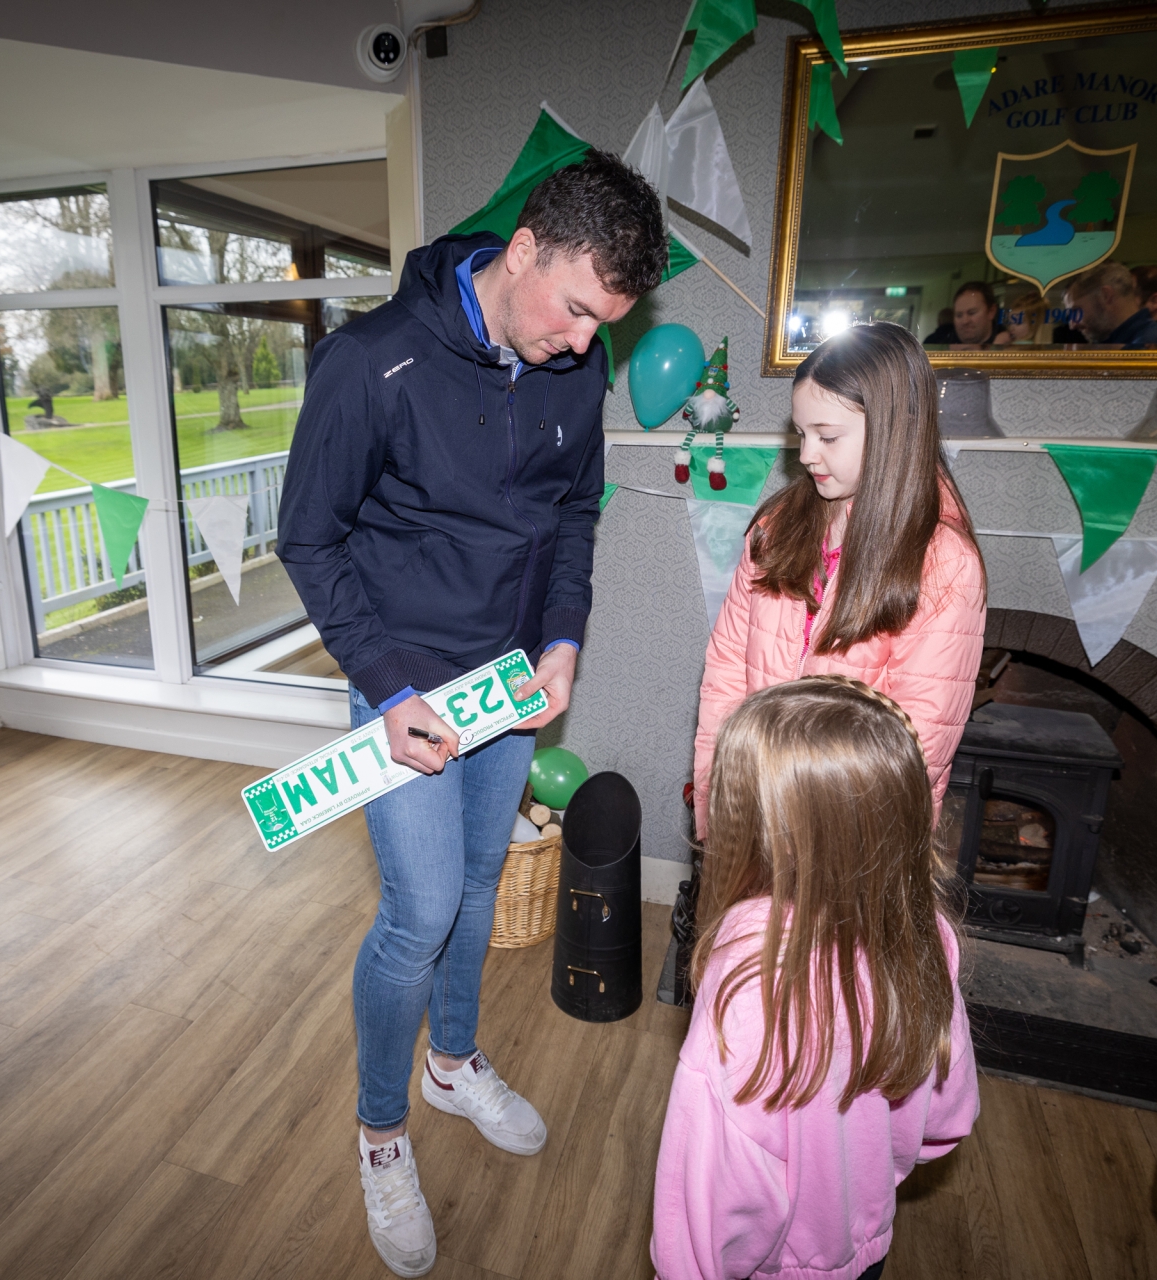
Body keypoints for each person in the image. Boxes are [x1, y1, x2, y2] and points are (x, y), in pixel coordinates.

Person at [275, 149, 668, 1277]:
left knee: (486, 882)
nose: (587, 342)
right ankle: (383, 1129)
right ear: (527, 249)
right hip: (397, 677)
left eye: (609, 322)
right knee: (422, 908)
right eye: (579, 309)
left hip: (506, 682)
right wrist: (388, 689)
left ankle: (455, 1061)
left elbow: (575, 517)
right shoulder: (368, 362)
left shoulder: (571, 369)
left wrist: (564, 637)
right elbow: (309, 536)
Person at [653, 676, 979, 1280]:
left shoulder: (747, 978)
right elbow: (947, 1120)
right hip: (865, 1250)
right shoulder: (928, 933)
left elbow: (716, 1197)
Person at [691, 322, 985, 838]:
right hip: (757, 812)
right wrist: (720, 798)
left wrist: (830, 850)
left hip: (853, 839)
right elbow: (726, 675)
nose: (806, 455)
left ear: (897, 429)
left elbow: (919, 740)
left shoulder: (943, 562)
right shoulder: (773, 529)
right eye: (801, 434)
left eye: (827, 436)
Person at [1064, 262, 1157, 347]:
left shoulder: (1150, 343)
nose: (1072, 325)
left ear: (1106, 296)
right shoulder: (1119, 341)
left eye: (1077, 311)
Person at [922, 282, 1005, 346]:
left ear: (991, 312)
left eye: (972, 313)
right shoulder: (940, 346)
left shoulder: (1010, 348)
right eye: (959, 315)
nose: (965, 321)